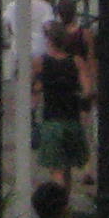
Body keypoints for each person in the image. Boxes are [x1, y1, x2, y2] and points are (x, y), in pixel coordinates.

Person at [34, 18, 91, 193]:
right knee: (67, 169)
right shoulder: (76, 61)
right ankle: (66, 207)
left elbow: (34, 87)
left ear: (49, 40)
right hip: (72, 119)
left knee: (56, 171)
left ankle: (58, 207)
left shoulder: (40, 62)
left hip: (52, 119)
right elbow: (87, 90)